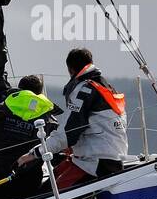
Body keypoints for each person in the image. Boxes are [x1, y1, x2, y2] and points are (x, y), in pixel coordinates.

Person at [17, 48, 128, 189]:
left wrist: (34, 154)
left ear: (70, 69)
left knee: (47, 197)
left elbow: (67, 133)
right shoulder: (107, 88)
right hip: (112, 158)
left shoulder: (83, 89)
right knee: (52, 181)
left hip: (95, 163)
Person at [0, 74, 61, 199]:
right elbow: (54, 152)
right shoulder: (50, 120)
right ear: (40, 93)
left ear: (19, 89)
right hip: (29, 180)